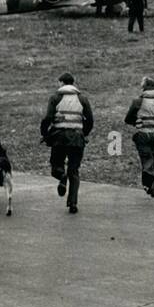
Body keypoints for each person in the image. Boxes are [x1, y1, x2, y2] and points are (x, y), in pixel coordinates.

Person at [40, 73, 94, 214]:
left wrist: (44, 134)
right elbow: (90, 120)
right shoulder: (82, 99)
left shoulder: (55, 98)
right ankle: (73, 203)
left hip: (59, 138)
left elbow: (47, 118)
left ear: (62, 82)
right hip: (77, 138)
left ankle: (61, 177)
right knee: (74, 171)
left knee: (56, 165)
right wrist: (84, 133)